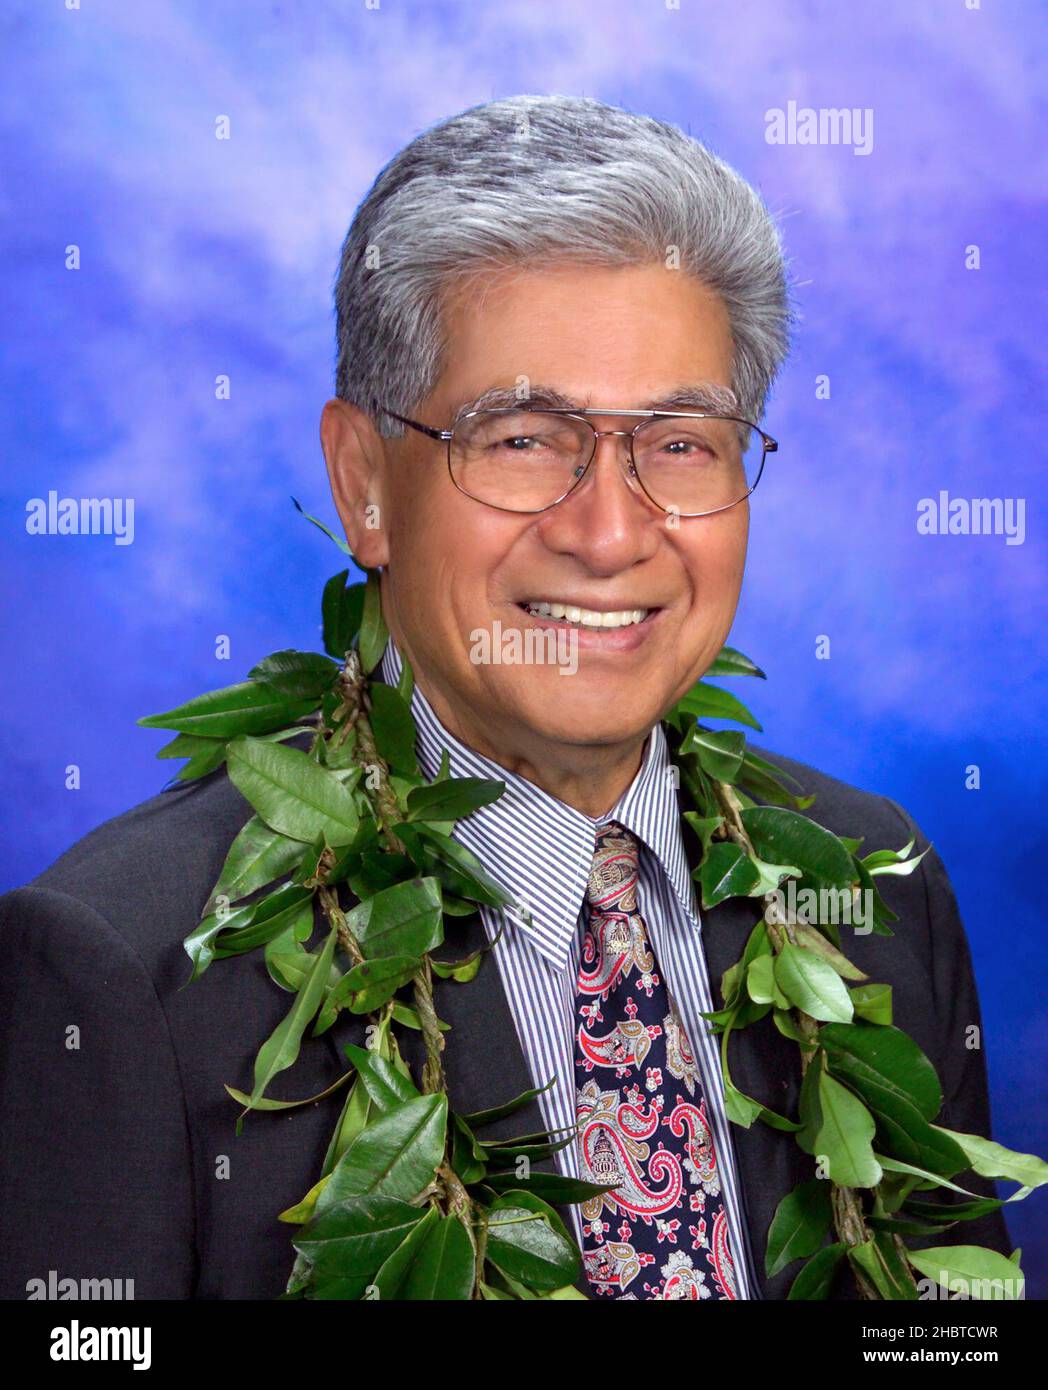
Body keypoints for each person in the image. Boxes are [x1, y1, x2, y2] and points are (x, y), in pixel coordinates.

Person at [0, 94, 1010, 1300]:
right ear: (365, 483)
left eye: (681, 441)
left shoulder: (872, 886)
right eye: (524, 436)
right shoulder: (122, 975)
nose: (609, 530)